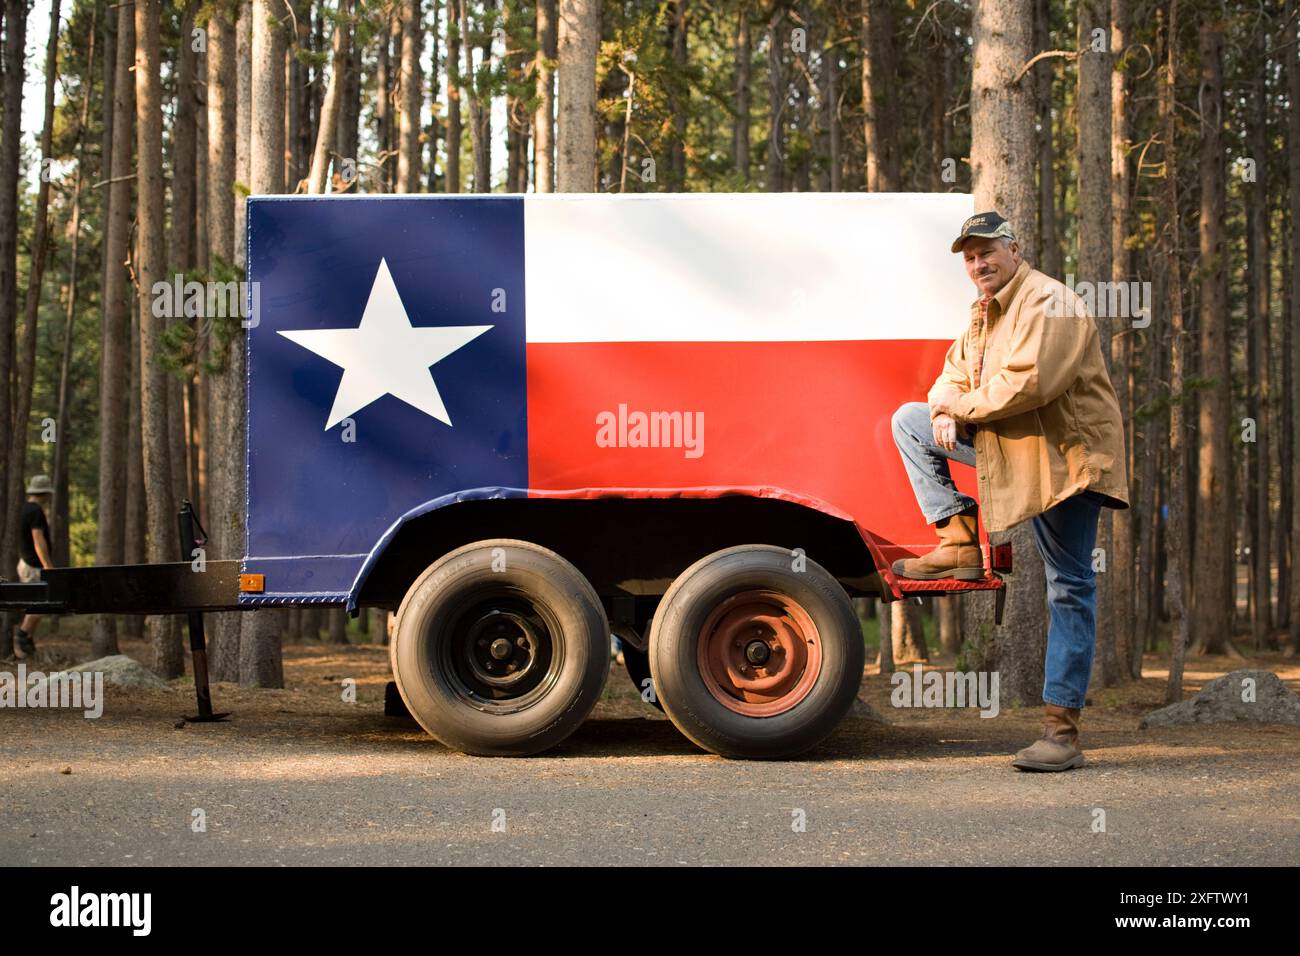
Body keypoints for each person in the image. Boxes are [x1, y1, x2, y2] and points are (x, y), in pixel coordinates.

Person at [890, 211, 1130, 772]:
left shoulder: (1054, 303)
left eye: (986, 252)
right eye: (969, 257)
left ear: (1014, 249)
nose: (978, 264)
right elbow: (950, 374)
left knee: (1069, 587)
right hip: (1015, 449)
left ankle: (1061, 732)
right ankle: (958, 542)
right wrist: (946, 404)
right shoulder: (982, 315)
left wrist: (960, 408)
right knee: (910, 420)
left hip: (1065, 462)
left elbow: (1030, 381)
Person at [13, 474, 55, 659]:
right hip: (33, 565)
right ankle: (22, 637)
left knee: (35, 605)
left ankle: (27, 640)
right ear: (44, 493)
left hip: (25, 562)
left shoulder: (25, 509)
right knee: (40, 605)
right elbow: (38, 541)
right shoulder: (35, 512)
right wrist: (48, 566)